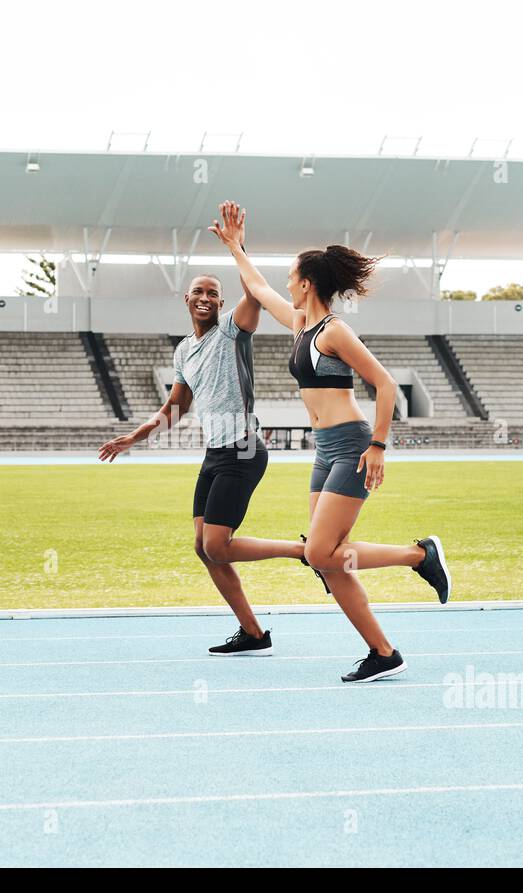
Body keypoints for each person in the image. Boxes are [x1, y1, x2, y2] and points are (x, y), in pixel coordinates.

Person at [209, 201, 451, 683]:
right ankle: (383, 652)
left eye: (291, 278)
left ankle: (420, 555)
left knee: (320, 554)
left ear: (306, 283)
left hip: (353, 445)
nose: (285, 285)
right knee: (330, 562)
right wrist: (237, 247)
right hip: (325, 452)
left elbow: (384, 384)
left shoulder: (336, 332)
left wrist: (378, 446)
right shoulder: (302, 325)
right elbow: (256, 286)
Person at [97, 209, 309, 657]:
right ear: (187, 299)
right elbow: (175, 408)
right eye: (199, 291)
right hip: (215, 454)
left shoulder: (234, 329)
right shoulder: (183, 351)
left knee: (218, 543)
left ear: (220, 301)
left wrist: (237, 246)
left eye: (214, 292)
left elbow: (256, 292)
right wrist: (131, 440)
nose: (206, 297)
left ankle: (302, 551)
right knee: (203, 548)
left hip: (244, 449)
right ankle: (253, 633)